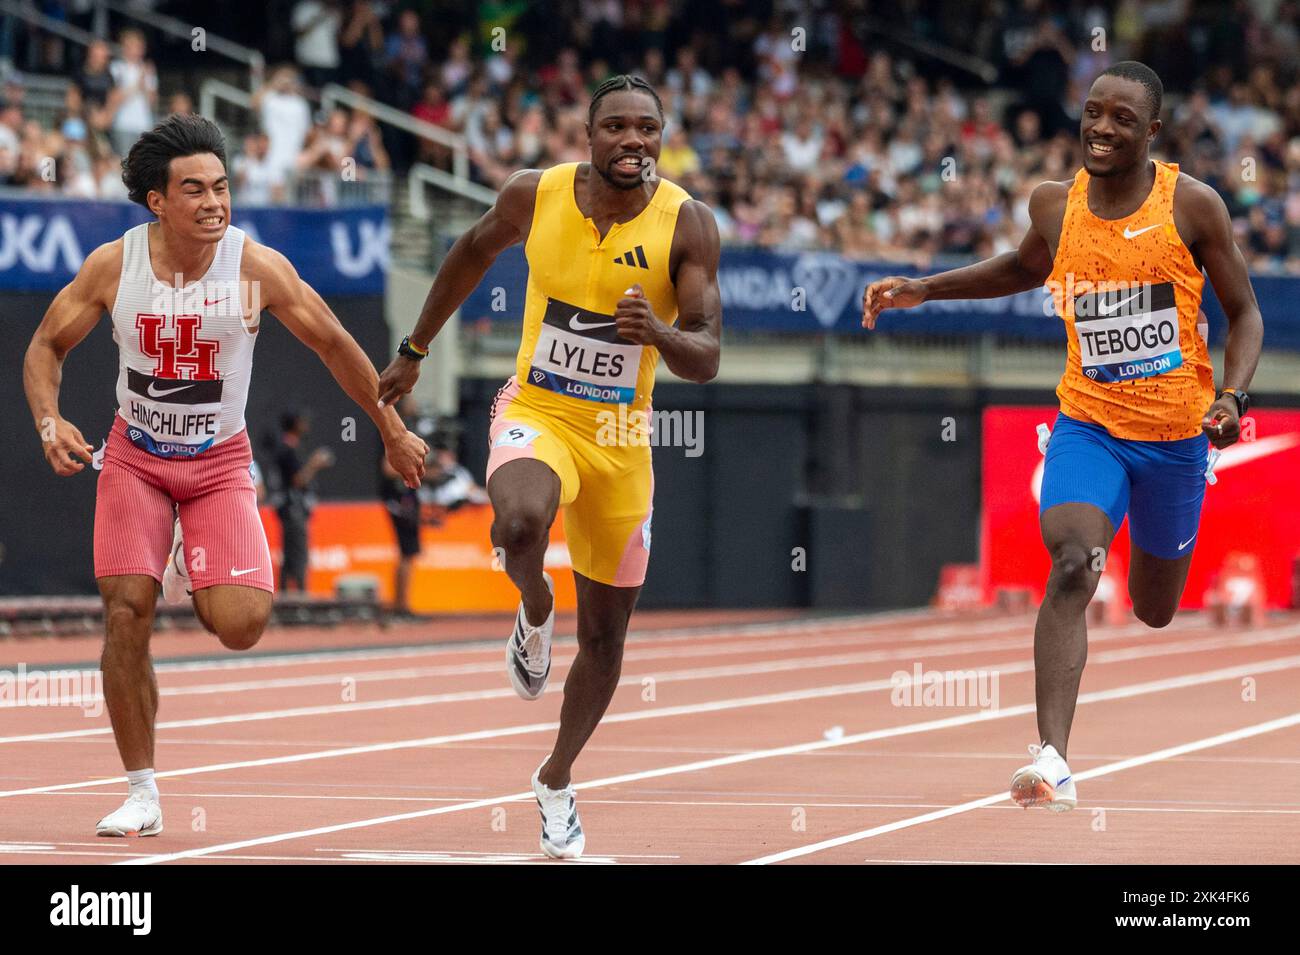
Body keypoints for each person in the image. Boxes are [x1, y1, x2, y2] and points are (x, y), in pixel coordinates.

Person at [862, 62, 1264, 813]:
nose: (1101, 127)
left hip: (1177, 439)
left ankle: (1141, 577)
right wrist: (926, 287)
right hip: (1089, 425)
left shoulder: (1193, 206)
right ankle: (1052, 757)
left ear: (1151, 132)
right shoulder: (1055, 205)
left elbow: (1246, 315)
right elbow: (1020, 267)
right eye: (1093, 112)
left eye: (1121, 118)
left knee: (1154, 606)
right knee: (1075, 563)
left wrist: (1232, 397)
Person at [22, 112, 427, 838]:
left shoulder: (255, 268)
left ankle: (189, 556)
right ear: (157, 201)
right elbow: (46, 344)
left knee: (239, 625)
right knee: (126, 613)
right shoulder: (117, 266)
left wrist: (391, 428)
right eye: (195, 190)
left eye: (222, 187)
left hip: (218, 464)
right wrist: (49, 420)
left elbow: (336, 344)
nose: (215, 203)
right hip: (136, 456)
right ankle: (141, 789)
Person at [377, 75, 722, 858]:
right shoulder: (536, 195)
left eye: (648, 129)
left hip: (622, 438)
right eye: (618, 128)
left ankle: (556, 779)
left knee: (606, 638)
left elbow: (707, 353)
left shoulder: (687, 224)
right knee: (521, 520)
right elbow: (469, 252)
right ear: (588, 136)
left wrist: (657, 335)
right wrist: (414, 349)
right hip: (539, 407)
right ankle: (534, 609)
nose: (634, 142)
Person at [272, 410, 334, 593]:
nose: (306, 426)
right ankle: (300, 600)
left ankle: (287, 599)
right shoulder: (287, 450)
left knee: (291, 556)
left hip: (291, 509)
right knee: (298, 555)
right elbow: (298, 480)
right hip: (293, 510)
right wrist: (315, 463)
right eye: (302, 422)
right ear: (295, 424)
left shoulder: (290, 447)